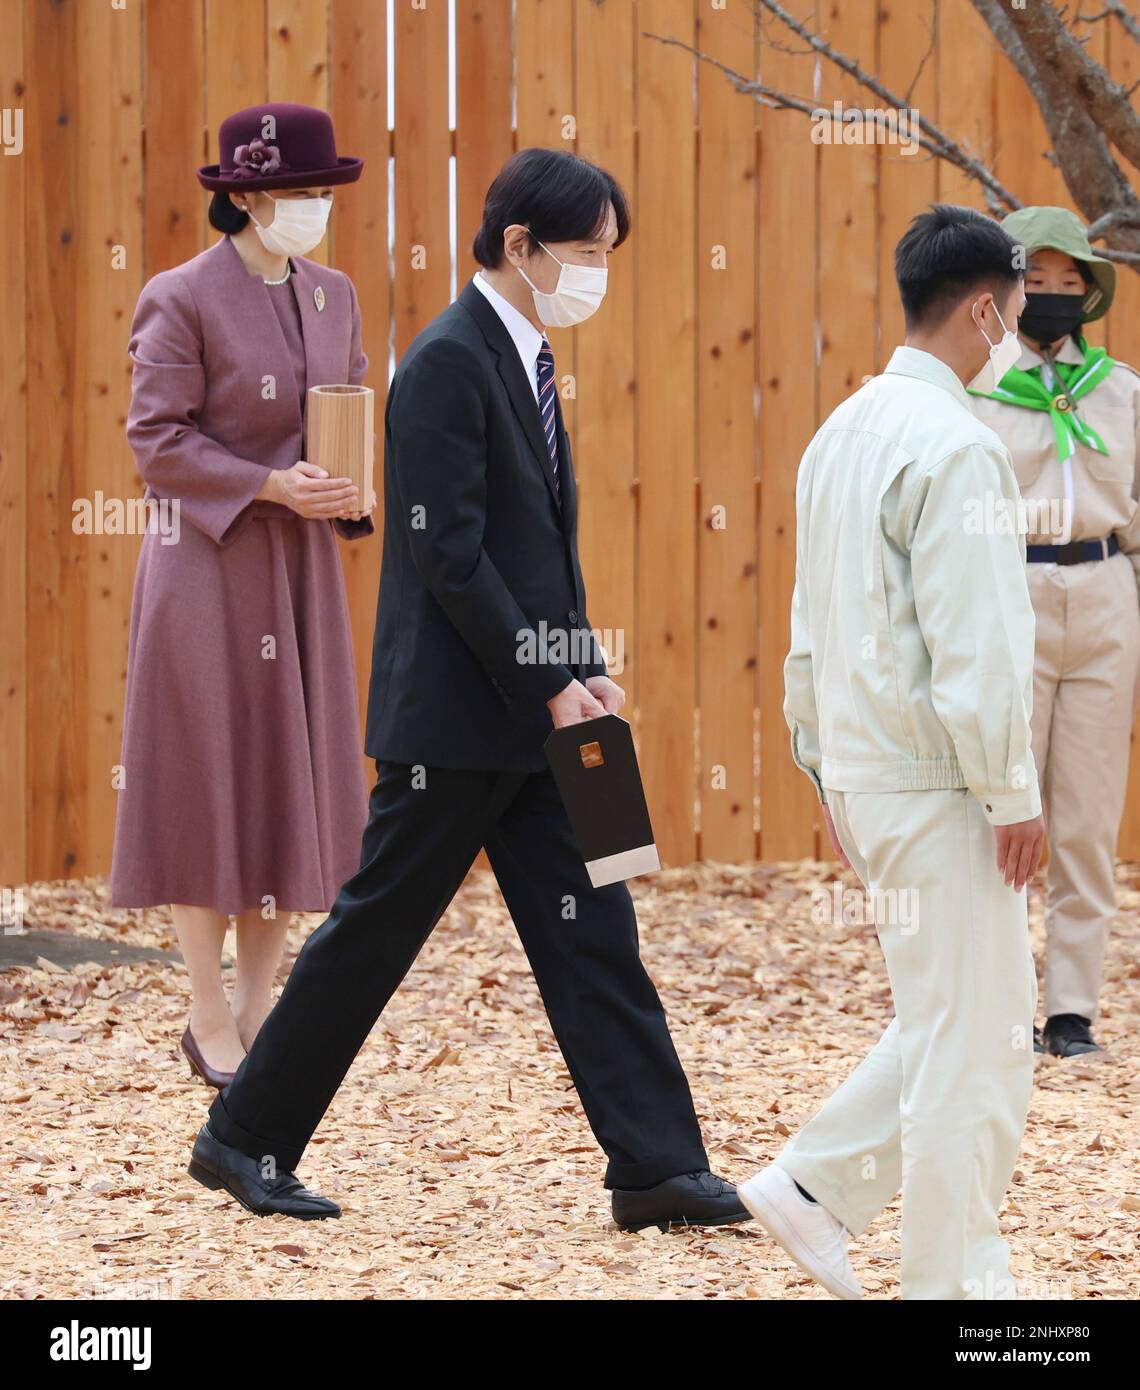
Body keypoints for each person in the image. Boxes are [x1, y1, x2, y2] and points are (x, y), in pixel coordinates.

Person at [188, 148, 747, 1232]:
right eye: (585, 252)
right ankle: (241, 1137)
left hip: (549, 713)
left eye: (607, 254)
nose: (597, 273)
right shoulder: (448, 361)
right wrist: (551, 681)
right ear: (520, 245)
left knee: (601, 929)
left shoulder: (524, 357)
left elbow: (537, 555)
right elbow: (449, 555)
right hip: (461, 720)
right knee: (373, 934)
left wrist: (580, 665)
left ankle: (657, 1166)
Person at [739, 206, 1044, 1300]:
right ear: (981, 309)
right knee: (980, 1041)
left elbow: (808, 626)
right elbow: (980, 640)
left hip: (873, 775)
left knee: (948, 1017)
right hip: (942, 780)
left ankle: (813, 1188)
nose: (1014, 335)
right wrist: (1012, 788)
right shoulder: (957, 444)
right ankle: (954, 1291)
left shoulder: (843, 431)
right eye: (1014, 315)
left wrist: (823, 763)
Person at [110, 103, 375, 1088]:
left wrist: (350, 490)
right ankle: (206, 1008)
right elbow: (156, 441)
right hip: (205, 567)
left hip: (299, 569)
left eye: (324, 193)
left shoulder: (334, 296)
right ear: (254, 197)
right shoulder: (177, 297)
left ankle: (261, 1011)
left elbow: (344, 410)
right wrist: (268, 483)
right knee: (203, 780)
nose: (318, 209)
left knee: (281, 781)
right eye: (307, 193)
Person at [969, 207, 1140, 1060]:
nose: (1053, 295)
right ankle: (1001, 1002)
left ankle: (1072, 1014)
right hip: (1014, 588)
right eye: (1035, 281)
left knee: (1086, 815)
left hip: (1107, 589)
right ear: (1006, 290)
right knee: (1007, 806)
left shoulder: (1121, 388)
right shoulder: (978, 387)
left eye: (1070, 282)